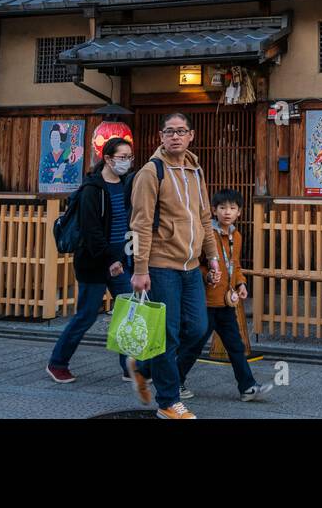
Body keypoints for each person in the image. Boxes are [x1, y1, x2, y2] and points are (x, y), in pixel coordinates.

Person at [124, 112, 221, 419]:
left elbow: (205, 218)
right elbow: (139, 224)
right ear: (161, 136)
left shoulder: (196, 171)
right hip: (161, 265)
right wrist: (140, 269)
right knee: (167, 335)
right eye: (169, 132)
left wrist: (213, 256)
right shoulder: (151, 173)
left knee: (197, 329)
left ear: (191, 136)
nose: (175, 136)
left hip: (191, 266)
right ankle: (168, 401)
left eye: (181, 131)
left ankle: (143, 367)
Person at [47, 137, 137, 383]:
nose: (127, 162)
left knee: (127, 310)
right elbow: (91, 229)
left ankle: (129, 367)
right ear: (107, 159)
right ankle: (57, 362)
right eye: (122, 157)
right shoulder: (92, 189)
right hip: (94, 262)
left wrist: (125, 257)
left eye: (129, 157)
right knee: (86, 314)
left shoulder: (127, 183)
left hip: (120, 260)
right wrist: (110, 259)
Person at [175, 189, 271, 402]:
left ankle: (247, 387)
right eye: (222, 208)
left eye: (232, 208)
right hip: (205, 302)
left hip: (227, 302)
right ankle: (174, 382)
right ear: (214, 210)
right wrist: (207, 275)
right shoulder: (205, 233)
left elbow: (234, 265)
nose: (227, 212)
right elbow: (193, 264)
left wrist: (241, 283)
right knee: (194, 345)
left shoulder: (236, 236)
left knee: (236, 346)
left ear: (239, 212)